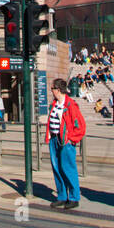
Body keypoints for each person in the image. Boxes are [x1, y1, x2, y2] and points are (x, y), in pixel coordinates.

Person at [46, 77, 86, 210]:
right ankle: (62, 196)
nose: (51, 91)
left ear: (58, 90)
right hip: (54, 139)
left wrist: (72, 139)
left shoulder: (70, 105)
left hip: (65, 141)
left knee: (68, 168)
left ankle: (74, 197)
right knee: (57, 168)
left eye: (52, 88)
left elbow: (80, 126)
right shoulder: (54, 104)